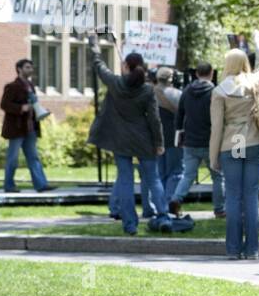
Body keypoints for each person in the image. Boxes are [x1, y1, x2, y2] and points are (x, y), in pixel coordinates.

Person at [87, 35, 170, 234]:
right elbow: (154, 119)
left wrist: (94, 45)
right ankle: (164, 216)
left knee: (125, 181)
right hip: (144, 140)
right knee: (153, 179)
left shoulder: (115, 83)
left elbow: (99, 66)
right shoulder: (147, 90)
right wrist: (159, 142)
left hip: (120, 140)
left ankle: (130, 225)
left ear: (125, 66)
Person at [210, 32, 259, 259]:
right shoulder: (254, 82)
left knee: (233, 197)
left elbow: (216, 128)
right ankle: (253, 249)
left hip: (231, 143)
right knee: (251, 195)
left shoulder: (219, 91)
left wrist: (213, 156)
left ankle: (233, 250)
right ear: (245, 63)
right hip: (254, 140)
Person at [172, 62, 225, 217]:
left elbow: (179, 114)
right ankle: (219, 209)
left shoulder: (187, 91)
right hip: (210, 142)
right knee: (217, 177)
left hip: (190, 141)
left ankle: (176, 199)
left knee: (187, 175)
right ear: (212, 73)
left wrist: (179, 133)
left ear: (196, 74)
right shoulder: (215, 92)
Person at [0, 58, 56, 193]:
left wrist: (41, 111)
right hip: (17, 128)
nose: (30, 70)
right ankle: (9, 186)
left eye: (31, 67)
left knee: (33, 157)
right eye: (27, 67)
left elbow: (33, 105)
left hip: (30, 128)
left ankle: (41, 185)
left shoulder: (31, 86)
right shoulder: (12, 86)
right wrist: (21, 108)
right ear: (19, 69)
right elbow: (4, 105)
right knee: (12, 159)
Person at [153, 66, 183, 209]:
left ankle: (160, 204)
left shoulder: (150, 93)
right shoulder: (177, 94)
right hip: (174, 138)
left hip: (156, 138)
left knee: (160, 173)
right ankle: (169, 201)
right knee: (175, 171)